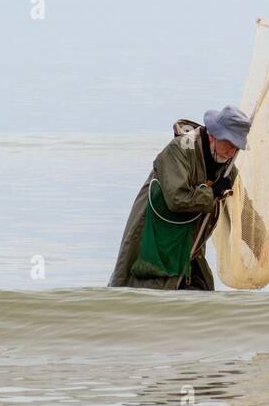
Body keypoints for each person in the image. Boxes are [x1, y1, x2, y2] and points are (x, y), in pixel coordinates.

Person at [107, 105, 261, 290]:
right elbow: (177, 199)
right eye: (229, 144)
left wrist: (264, 249)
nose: (231, 153)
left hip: (189, 250)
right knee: (144, 300)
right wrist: (213, 193)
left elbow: (243, 211)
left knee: (202, 305)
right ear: (212, 135)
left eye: (237, 147)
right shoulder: (178, 150)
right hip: (154, 243)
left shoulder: (226, 169)